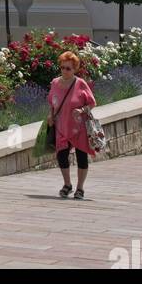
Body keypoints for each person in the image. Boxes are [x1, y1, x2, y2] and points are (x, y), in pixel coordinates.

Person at [47, 49, 97, 200]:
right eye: (62, 67)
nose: (64, 70)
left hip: (79, 127)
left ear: (74, 69)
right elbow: (52, 102)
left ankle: (80, 188)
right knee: (61, 156)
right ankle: (67, 184)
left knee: (82, 157)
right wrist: (50, 115)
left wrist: (82, 110)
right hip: (61, 126)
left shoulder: (80, 83)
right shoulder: (55, 83)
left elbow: (93, 103)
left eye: (68, 68)